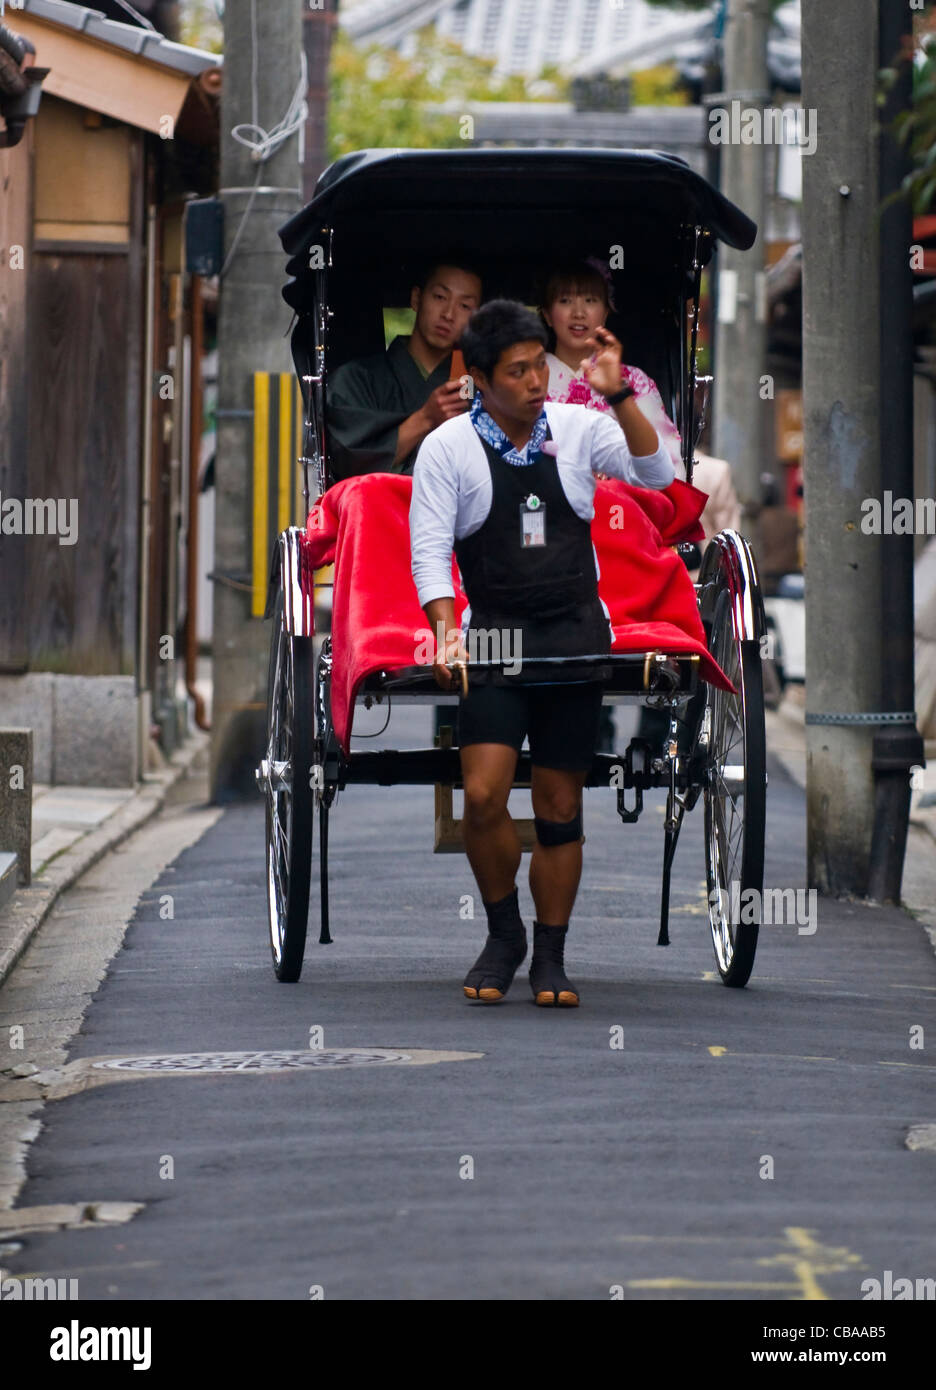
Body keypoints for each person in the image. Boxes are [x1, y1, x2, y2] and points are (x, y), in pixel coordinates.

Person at [409, 300, 675, 1008]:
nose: (535, 382)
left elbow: (655, 474)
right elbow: (431, 551)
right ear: (482, 380)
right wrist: (444, 628)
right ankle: (504, 933)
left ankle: (551, 954)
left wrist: (619, 393)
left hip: (571, 637)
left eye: (538, 366)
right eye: (518, 371)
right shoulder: (449, 449)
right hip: (493, 634)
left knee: (560, 806)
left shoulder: (582, 429)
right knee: (485, 796)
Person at [326, 260, 482, 480]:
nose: (448, 314)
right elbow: (349, 464)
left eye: (464, 306)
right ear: (416, 299)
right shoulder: (355, 379)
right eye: (440, 297)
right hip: (377, 511)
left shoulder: (477, 389)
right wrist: (426, 418)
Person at [540, 258, 682, 470]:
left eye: (590, 300)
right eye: (565, 301)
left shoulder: (634, 380)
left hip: (619, 497)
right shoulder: (530, 377)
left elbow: (665, 459)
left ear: (605, 313)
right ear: (547, 315)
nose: (578, 312)